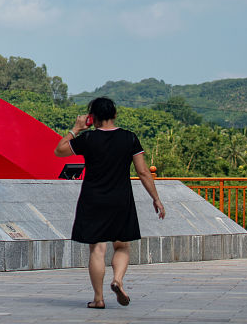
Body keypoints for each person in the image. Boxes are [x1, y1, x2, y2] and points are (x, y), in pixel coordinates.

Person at [54, 96, 165, 309]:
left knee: (97, 248)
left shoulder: (87, 139)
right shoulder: (129, 139)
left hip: (93, 199)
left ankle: (98, 299)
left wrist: (76, 129)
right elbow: (143, 172)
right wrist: (156, 199)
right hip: (121, 199)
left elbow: (59, 150)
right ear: (114, 114)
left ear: (92, 118)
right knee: (122, 244)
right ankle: (118, 280)